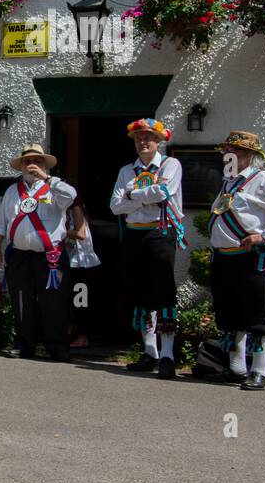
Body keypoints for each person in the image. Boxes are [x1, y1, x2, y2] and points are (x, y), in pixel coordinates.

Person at [109, 118, 184, 379]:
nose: (143, 142)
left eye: (148, 137)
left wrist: (131, 195)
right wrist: (139, 197)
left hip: (160, 233)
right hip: (134, 234)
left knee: (163, 291)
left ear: (159, 141)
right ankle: (150, 352)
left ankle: (167, 356)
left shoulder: (171, 164)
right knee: (139, 293)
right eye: (139, 138)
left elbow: (163, 192)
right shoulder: (126, 171)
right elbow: (114, 207)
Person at [207, 131, 265, 391]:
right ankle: (237, 368)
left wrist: (264, 236)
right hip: (224, 258)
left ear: (251, 155)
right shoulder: (228, 181)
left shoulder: (264, 179)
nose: (230, 154)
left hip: (250, 257)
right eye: (227, 149)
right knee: (229, 313)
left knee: (256, 313)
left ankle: (260, 372)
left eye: (236, 150)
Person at [0, 144, 78, 362]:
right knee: (21, 301)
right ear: (20, 166)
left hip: (50, 257)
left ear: (44, 165)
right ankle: (23, 345)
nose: (32, 165)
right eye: (27, 162)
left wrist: (47, 179)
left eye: (37, 161)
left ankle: (57, 347)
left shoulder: (55, 188)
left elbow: (71, 196)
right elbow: (0, 223)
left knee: (54, 302)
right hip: (19, 256)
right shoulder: (12, 191)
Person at [64, 199, 100, 349]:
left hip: (82, 263)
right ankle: (73, 332)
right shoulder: (65, 212)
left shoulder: (75, 209)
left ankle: (83, 336)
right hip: (71, 262)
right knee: (71, 300)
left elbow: (81, 234)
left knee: (81, 301)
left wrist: (60, 232)